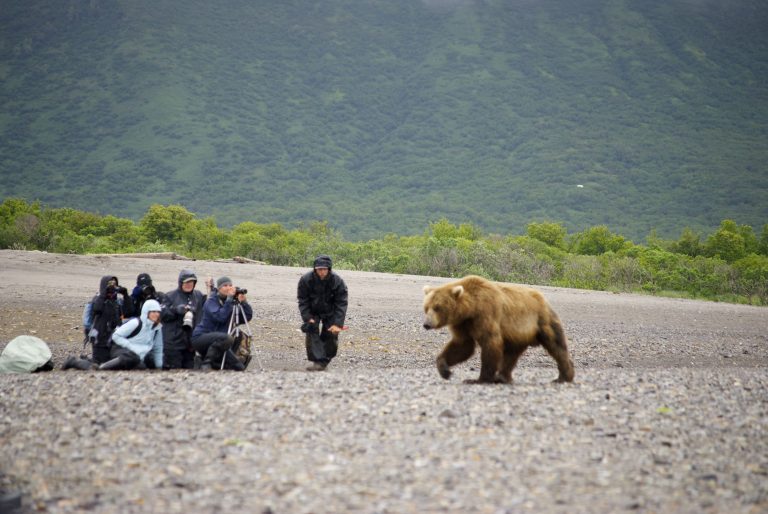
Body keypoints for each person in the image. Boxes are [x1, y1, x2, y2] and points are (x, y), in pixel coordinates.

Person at [297, 255, 348, 371]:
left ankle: (323, 361)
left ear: (329, 269)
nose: (322, 272)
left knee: (331, 333)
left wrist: (338, 323)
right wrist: (307, 317)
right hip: (313, 310)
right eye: (319, 269)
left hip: (331, 310)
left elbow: (341, 303)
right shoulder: (306, 279)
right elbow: (302, 300)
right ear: (315, 269)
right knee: (311, 329)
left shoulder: (337, 281)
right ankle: (317, 361)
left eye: (324, 269)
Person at [190, 276, 252, 371]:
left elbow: (246, 317)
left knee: (239, 367)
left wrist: (244, 302)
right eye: (225, 286)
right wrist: (229, 299)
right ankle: (206, 363)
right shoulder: (211, 301)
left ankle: (211, 363)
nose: (228, 288)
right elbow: (220, 317)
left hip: (220, 342)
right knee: (226, 338)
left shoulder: (230, 303)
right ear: (219, 288)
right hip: (201, 338)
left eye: (230, 285)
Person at [99, 299, 164, 370]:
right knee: (132, 358)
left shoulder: (157, 328)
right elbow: (116, 336)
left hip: (141, 354)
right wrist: (132, 347)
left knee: (153, 358)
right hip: (123, 350)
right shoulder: (136, 323)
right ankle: (103, 367)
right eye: (153, 311)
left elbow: (158, 348)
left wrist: (159, 367)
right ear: (146, 312)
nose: (156, 314)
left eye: (158, 312)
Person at [162, 269, 206, 369]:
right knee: (174, 371)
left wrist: (211, 288)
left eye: (191, 282)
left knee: (189, 371)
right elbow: (162, 314)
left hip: (190, 343)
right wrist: (176, 310)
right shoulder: (170, 296)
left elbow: (207, 309)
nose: (188, 285)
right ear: (180, 283)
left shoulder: (198, 296)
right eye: (186, 282)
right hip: (173, 343)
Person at [89, 275, 135, 364]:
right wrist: (104, 293)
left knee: (112, 363)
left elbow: (129, 311)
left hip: (114, 337)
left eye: (114, 284)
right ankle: (76, 362)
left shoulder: (116, 301)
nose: (112, 286)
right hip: (100, 339)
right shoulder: (98, 299)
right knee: (98, 363)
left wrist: (125, 295)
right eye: (110, 284)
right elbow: (97, 309)